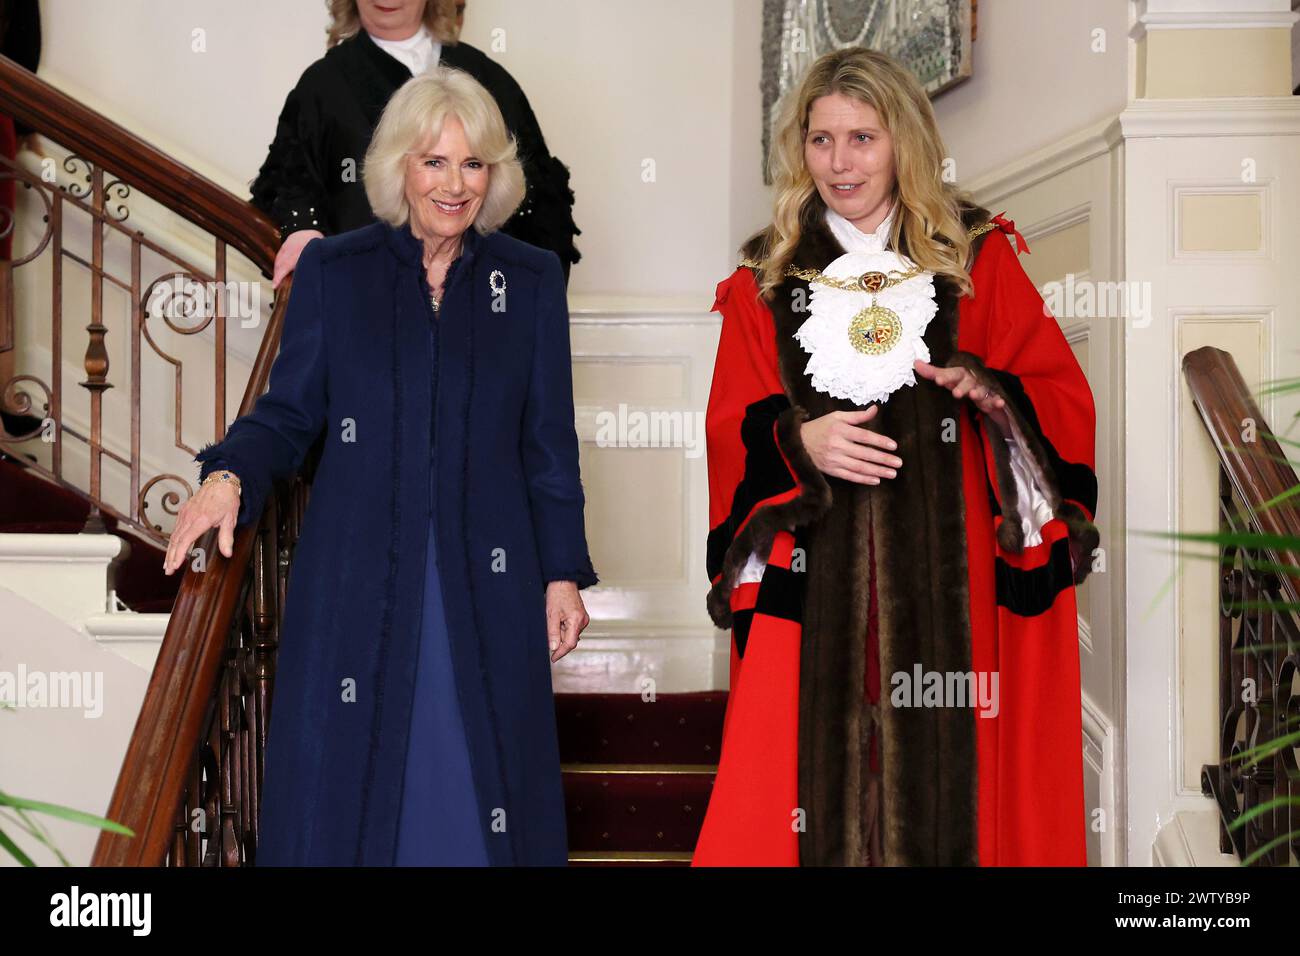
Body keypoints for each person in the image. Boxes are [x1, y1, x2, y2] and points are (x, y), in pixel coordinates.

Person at [163, 65, 597, 866]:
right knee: (354, 787)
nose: (455, 183)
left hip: (490, 576)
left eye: (474, 164)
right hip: (357, 574)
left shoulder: (529, 283)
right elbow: (289, 413)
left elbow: (548, 443)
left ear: (495, 175)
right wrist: (227, 477)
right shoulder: (337, 272)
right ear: (400, 165)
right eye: (435, 161)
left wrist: (561, 572)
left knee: (481, 786)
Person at [693, 47, 1099, 867]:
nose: (839, 163)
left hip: (949, 587)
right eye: (820, 140)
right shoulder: (764, 281)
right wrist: (796, 441)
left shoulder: (976, 261)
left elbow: (1060, 398)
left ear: (903, 143)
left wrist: (993, 398)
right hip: (814, 579)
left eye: (862, 139)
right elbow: (729, 421)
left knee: (947, 798)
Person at [252, 0, 580, 290]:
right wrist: (302, 228)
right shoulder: (322, 85)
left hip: (477, 306)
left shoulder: (488, 79)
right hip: (364, 299)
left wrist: (526, 300)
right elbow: (292, 181)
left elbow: (540, 198)